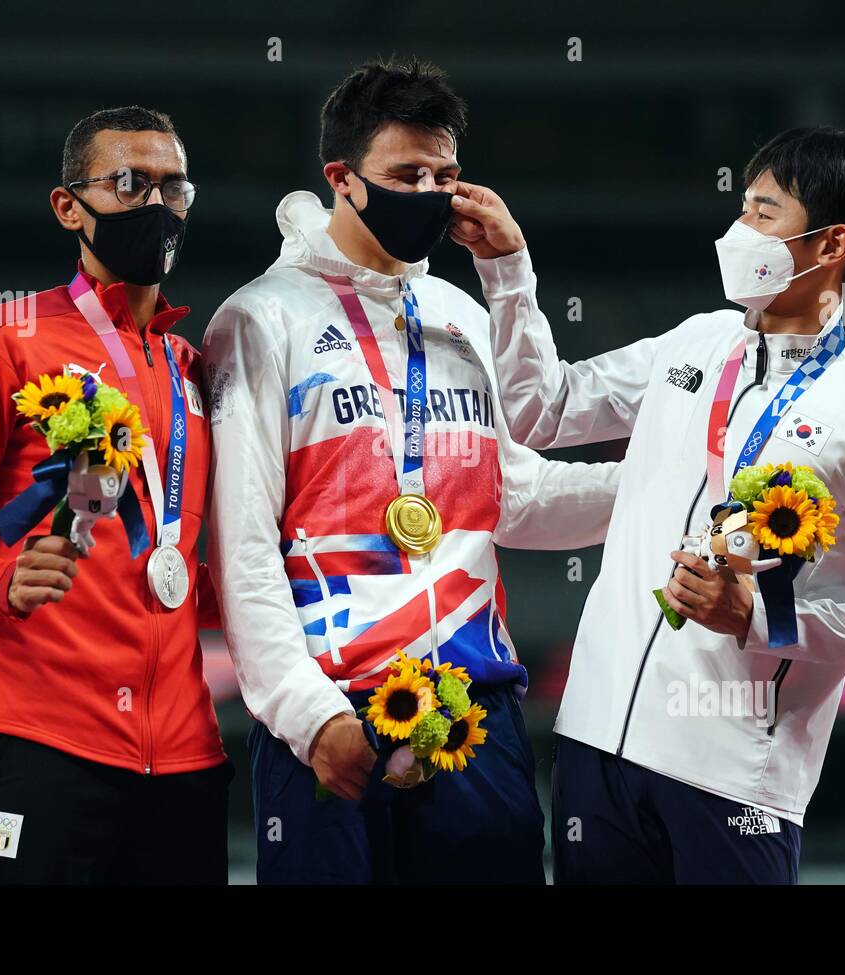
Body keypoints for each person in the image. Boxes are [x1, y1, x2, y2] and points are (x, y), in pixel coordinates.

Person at [452, 125, 845, 883]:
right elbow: (540, 412)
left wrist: (761, 614)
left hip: (735, 779)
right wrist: (505, 269)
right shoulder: (694, 344)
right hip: (594, 745)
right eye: (743, 206)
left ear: (830, 245)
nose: (738, 230)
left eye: (763, 211)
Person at [202, 59, 619, 884]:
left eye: (446, 175)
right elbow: (242, 544)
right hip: (332, 708)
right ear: (342, 179)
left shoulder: (463, 316)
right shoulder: (262, 318)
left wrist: (670, 482)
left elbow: (515, 494)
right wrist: (310, 716)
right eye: (406, 174)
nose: (429, 191)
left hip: (477, 706)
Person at [0, 106, 231, 884]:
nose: (155, 206)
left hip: (184, 757)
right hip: (41, 742)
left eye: (174, 188)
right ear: (68, 205)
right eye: (128, 183)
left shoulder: (195, 371)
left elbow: (179, 570)